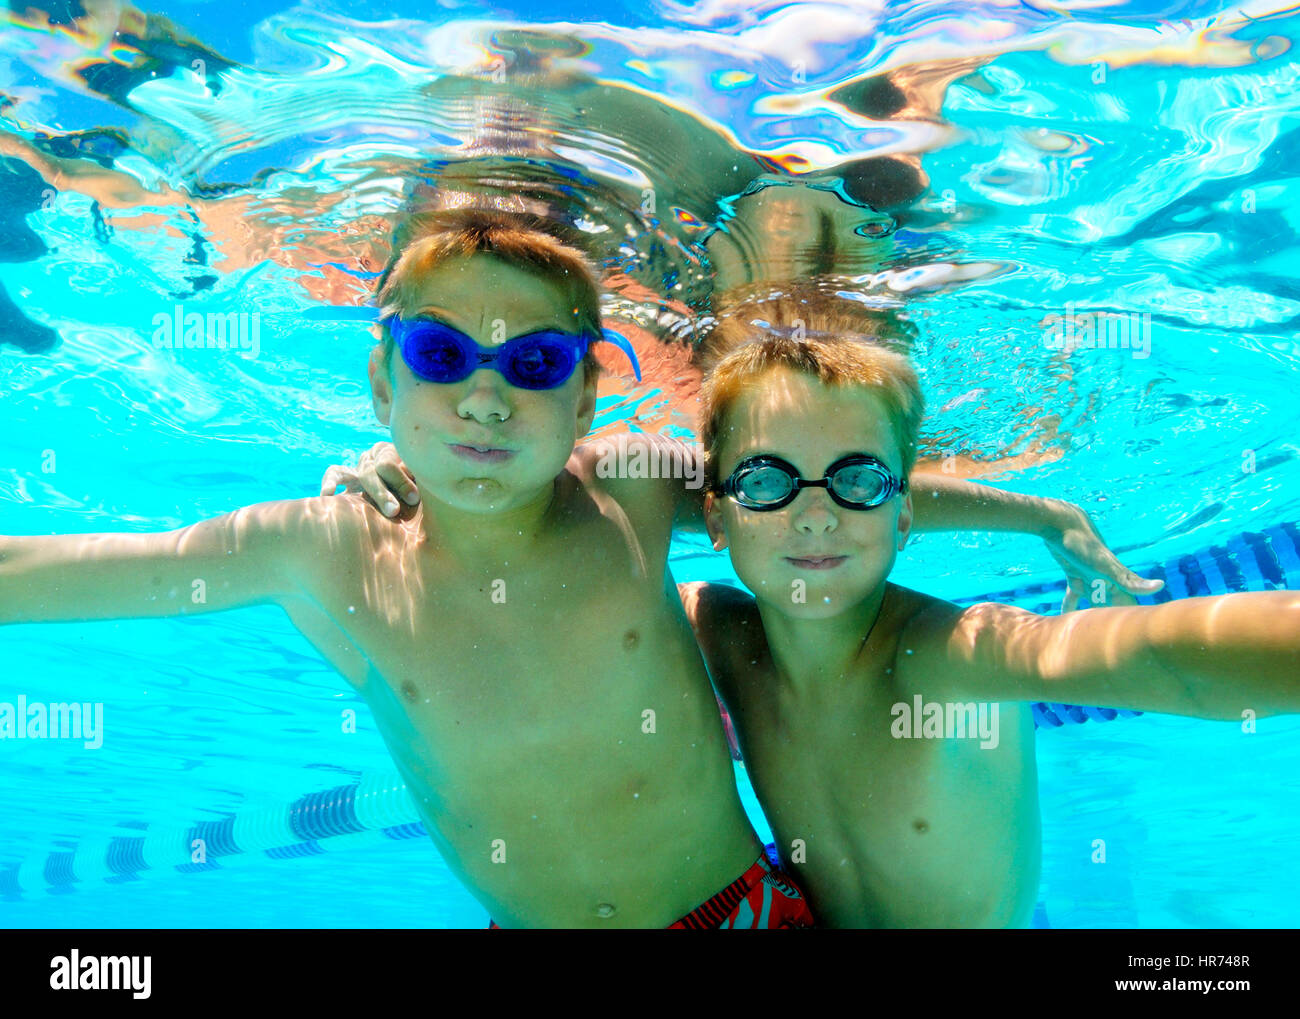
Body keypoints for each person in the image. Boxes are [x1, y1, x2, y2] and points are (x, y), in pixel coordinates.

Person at [3, 209, 1147, 927]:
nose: (487, 394)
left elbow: (812, 482)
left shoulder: (631, 484)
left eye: (535, 360)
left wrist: (1033, 510)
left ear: (587, 391)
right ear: (382, 389)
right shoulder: (322, 546)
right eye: (442, 356)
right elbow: (92, 564)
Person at [674, 300, 1299, 927]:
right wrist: (1041, 515)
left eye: (857, 481)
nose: (814, 515)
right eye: (765, 482)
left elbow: (1168, 660)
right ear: (716, 518)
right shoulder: (719, 630)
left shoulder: (942, 654)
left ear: (905, 515)